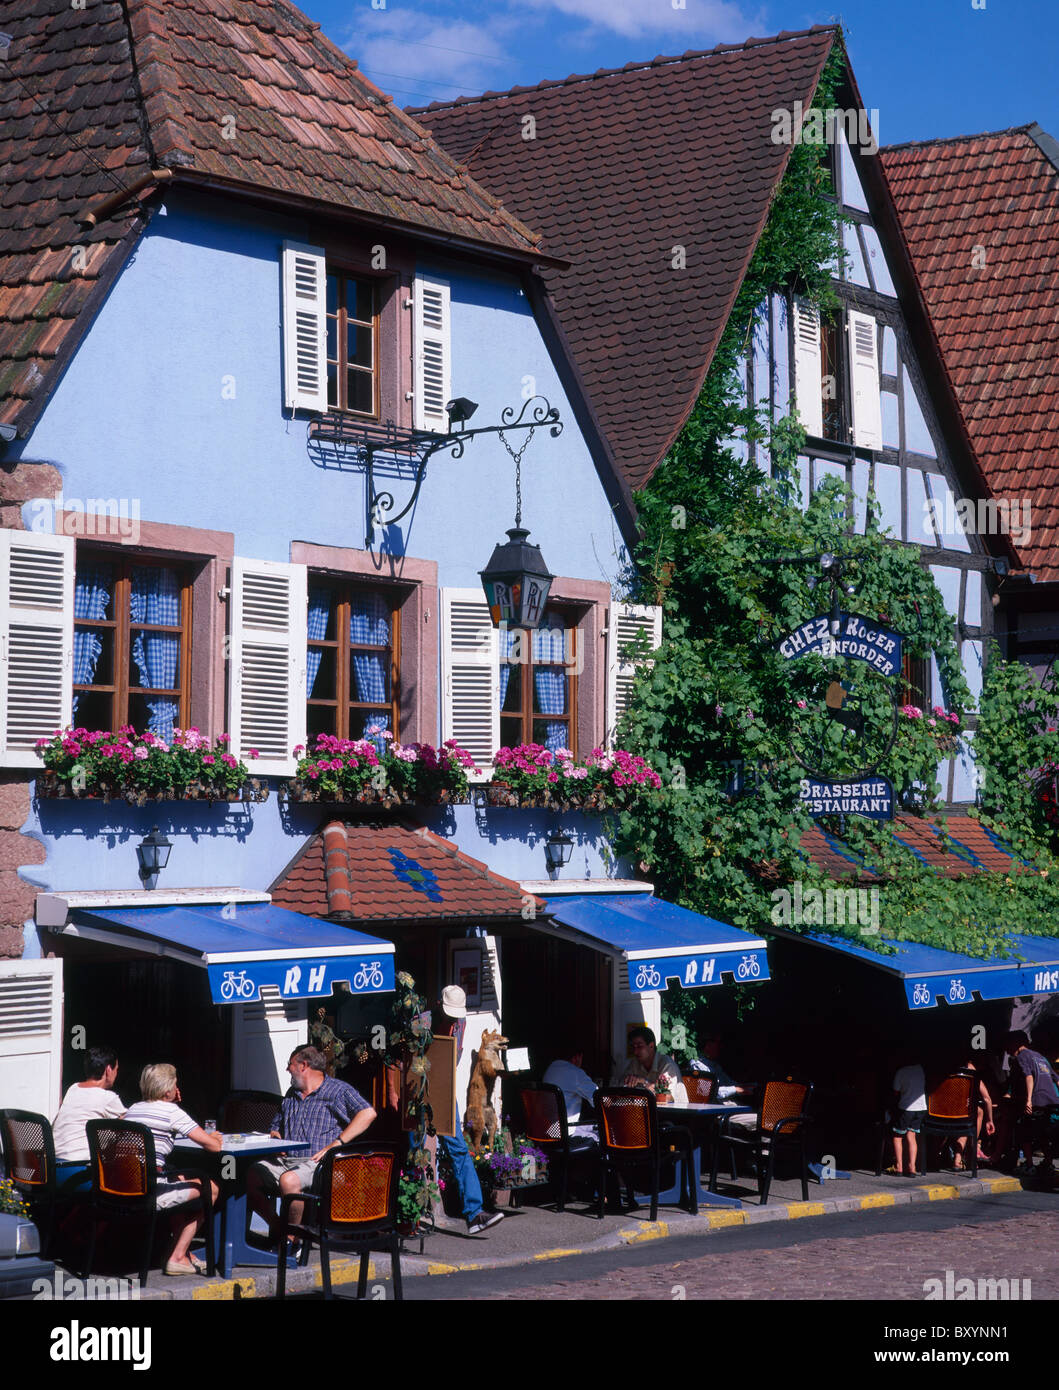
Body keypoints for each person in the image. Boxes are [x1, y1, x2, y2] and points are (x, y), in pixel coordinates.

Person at [246, 1045, 377, 1243]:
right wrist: (276, 1135)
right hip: (286, 1160)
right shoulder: (292, 1093)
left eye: (290, 1064)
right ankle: (278, 1226)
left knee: (289, 1181)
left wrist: (337, 1143)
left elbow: (368, 1113)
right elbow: (276, 1125)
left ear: (303, 1066)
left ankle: (292, 1240)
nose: (287, 1069)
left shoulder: (338, 1090)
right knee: (248, 1176)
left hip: (319, 1162)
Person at [123, 1063, 223, 1276]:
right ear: (169, 1090)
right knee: (211, 1188)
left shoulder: (133, 1109)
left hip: (125, 1188)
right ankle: (177, 1257)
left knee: (177, 1176)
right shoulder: (171, 1112)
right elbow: (214, 1147)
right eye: (175, 1085)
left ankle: (183, 1253)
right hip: (149, 1192)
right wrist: (213, 1136)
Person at [431, 985, 503, 1234]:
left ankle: (474, 1214)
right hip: (419, 1089)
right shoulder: (423, 1021)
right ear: (439, 1005)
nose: (453, 1018)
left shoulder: (461, 1023)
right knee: (414, 1149)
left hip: (443, 1089)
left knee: (459, 1149)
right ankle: (411, 1216)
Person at [51, 1044, 126, 1190]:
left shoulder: (73, 1088)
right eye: (116, 1069)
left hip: (53, 1170)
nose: (116, 1074)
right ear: (108, 1070)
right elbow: (134, 1126)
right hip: (79, 1174)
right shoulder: (108, 1098)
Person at [1004, 1031, 1059, 1169]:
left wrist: (1028, 1100)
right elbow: (1056, 1079)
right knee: (1042, 1132)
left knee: (1024, 1131)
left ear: (1016, 1043)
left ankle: (1029, 1165)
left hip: (1037, 1099)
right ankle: (1048, 1162)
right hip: (1051, 1101)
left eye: (1008, 1045)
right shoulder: (1040, 1057)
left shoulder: (1022, 1056)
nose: (1007, 1050)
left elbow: (1028, 1076)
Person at [688, 1032, 756, 1128]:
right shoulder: (697, 1064)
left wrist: (747, 1086)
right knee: (761, 1121)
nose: (721, 1047)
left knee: (763, 1117)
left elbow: (730, 1083)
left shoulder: (715, 1065)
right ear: (708, 1045)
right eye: (718, 1043)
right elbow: (707, 1092)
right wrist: (735, 1090)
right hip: (716, 1111)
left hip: (729, 1107)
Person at [612, 1026, 687, 1104]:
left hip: (675, 1113)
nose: (635, 1052)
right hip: (648, 1112)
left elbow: (666, 1097)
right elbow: (620, 1086)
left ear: (651, 1046)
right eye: (633, 1047)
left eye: (639, 1046)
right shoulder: (635, 1063)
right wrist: (627, 1082)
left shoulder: (666, 1064)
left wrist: (643, 1081)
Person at [543, 1045, 598, 1139]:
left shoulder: (551, 1068)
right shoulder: (575, 1073)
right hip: (566, 1135)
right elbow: (598, 1100)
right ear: (577, 1057)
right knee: (602, 1133)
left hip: (546, 1131)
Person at [953, 1057, 995, 1170]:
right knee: (978, 1111)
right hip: (964, 1113)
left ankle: (957, 1159)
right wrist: (990, 1120)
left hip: (943, 1113)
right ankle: (971, 1155)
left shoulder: (947, 1068)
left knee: (966, 1119)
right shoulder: (970, 1071)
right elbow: (987, 1098)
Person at [888, 1058, 926, 1176]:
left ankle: (899, 1167)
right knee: (912, 1136)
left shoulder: (901, 1071)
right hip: (920, 1108)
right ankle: (912, 1167)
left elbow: (895, 1091)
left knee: (898, 1136)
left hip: (906, 1109)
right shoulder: (920, 1069)